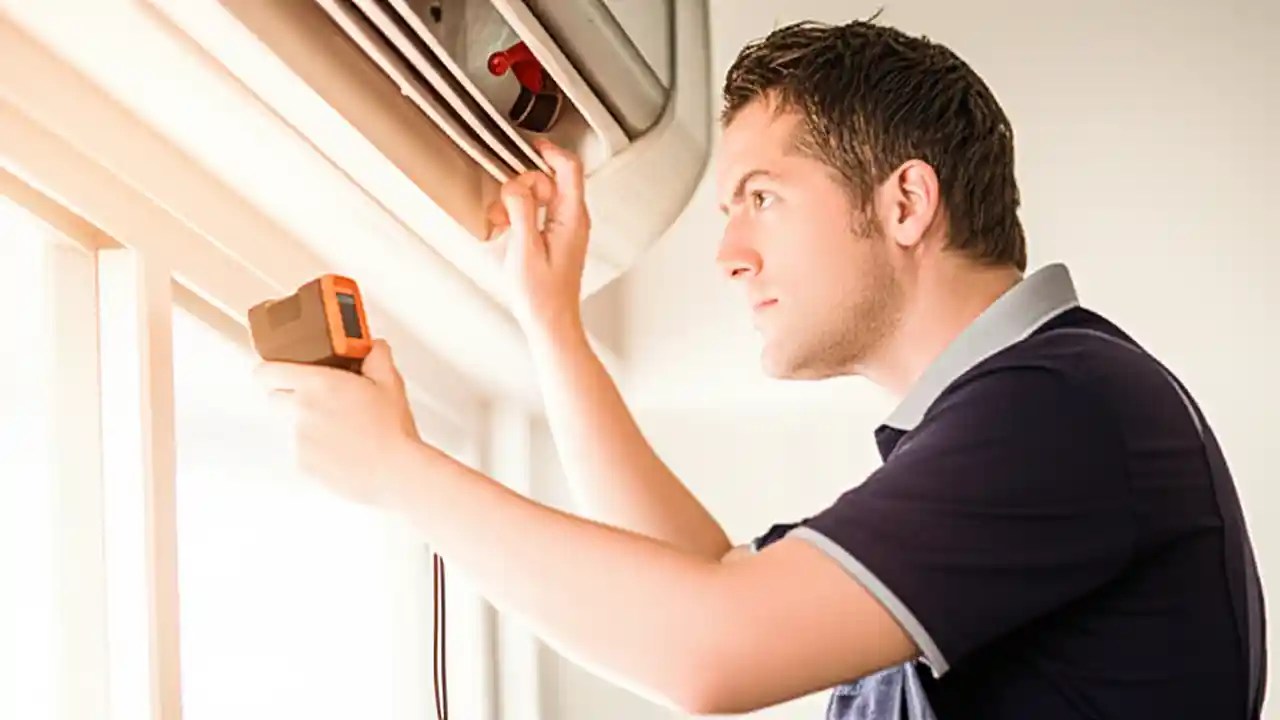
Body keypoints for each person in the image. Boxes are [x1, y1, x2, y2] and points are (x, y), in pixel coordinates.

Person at [255, 17, 1266, 720]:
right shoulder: (1024, 417)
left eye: (760, 198)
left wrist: (397, 473)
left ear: (905, 203)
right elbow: (711, 580)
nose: (727, 252)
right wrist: (552, 325)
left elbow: (710, 648)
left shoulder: (1061, 410)